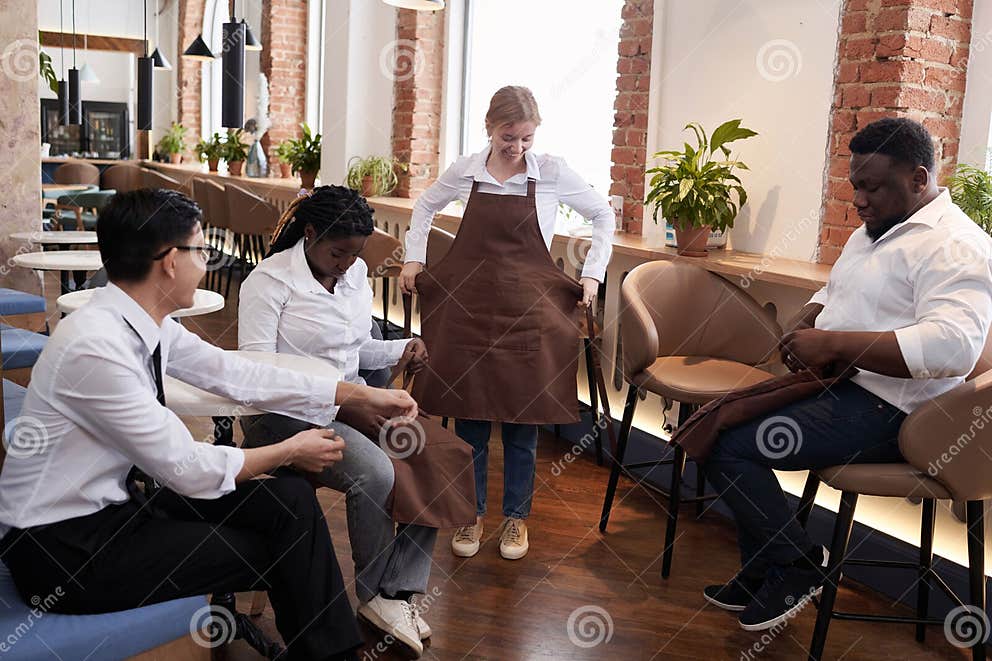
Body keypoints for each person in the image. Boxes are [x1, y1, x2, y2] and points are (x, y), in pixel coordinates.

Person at [0, 189, 418, 661]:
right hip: (65, 553)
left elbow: (233, 371)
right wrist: (289, 450)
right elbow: (186, 468)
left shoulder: (137, 318)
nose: (208, 259)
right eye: (200, 250)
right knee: (282, 546)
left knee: (291, 501)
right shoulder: (97, 347)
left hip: (114, 509)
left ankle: (328, 652)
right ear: (169, 262)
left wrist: (359, 393)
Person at [701, 118, 992, 632]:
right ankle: (765, 566)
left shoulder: (957, 246)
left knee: (732, 446)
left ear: (920, 179)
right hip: (845, 388)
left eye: (871, 186)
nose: (858, 199)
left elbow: (954, 348)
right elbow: (841, 288)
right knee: (719, 423)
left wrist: (833, 343)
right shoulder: (877, 229)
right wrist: (813, 313)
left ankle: (793, 566)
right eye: (854, 184)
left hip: (901, 413)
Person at [399, 85, 615, 561]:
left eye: (525, 139)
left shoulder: (552, 172)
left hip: (529, 312)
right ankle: (470, 514)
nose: (516, 148)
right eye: (507, 138)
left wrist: (593, 273)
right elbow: (423, 206)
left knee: (522, 422)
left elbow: (603, 214)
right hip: (471, 312)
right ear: (489, 129)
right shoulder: (466, 171)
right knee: (471, 420)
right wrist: (413, 260)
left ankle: (515, 520)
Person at [238, 185, 437, 658]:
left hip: (349, 404)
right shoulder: (268, 283)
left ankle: (397, 593)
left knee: (433, 460)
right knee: (375, 471)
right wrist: (344, 402)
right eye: (338, 252)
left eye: (356, 253)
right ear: (310, 234)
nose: (348, 263)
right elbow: (257, 375)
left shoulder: (355, 272)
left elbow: (353, 348)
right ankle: (375, 597)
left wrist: (399, 348)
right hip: (281, 417)